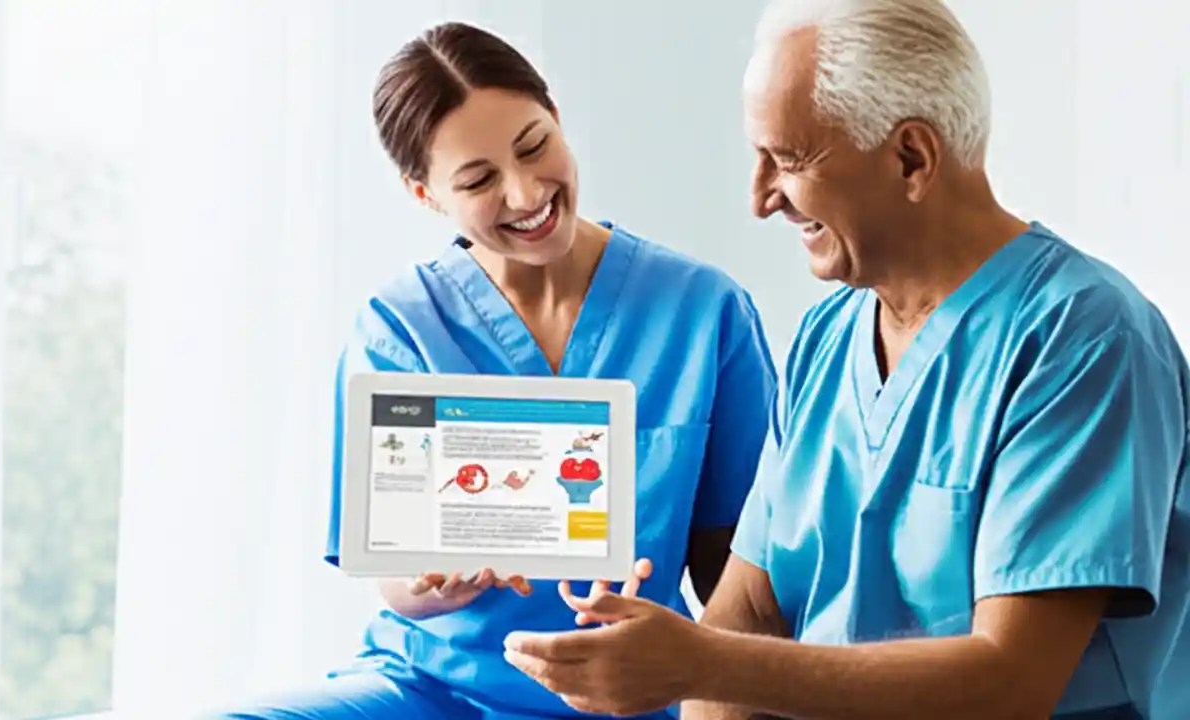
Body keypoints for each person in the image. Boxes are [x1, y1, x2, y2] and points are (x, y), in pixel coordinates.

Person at [503, 1, 1190, 718]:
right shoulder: (826, 338)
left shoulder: (1084, 339)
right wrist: (697, 671)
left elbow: (1010, 683)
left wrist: (699, 662)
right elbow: (747, 613)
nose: (761, 197)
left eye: (789, 159)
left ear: (911, 158)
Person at [211, 20, 777, 720]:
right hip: (429, 689)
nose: (525, 193)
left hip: (627, 697)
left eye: (535, 146)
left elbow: (738, 568)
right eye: (479, 179)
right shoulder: (401, 328)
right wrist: (432, 586)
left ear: (558, 119)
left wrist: (689, 663)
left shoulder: (702, 311)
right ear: (427, 196)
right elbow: (394, 576)